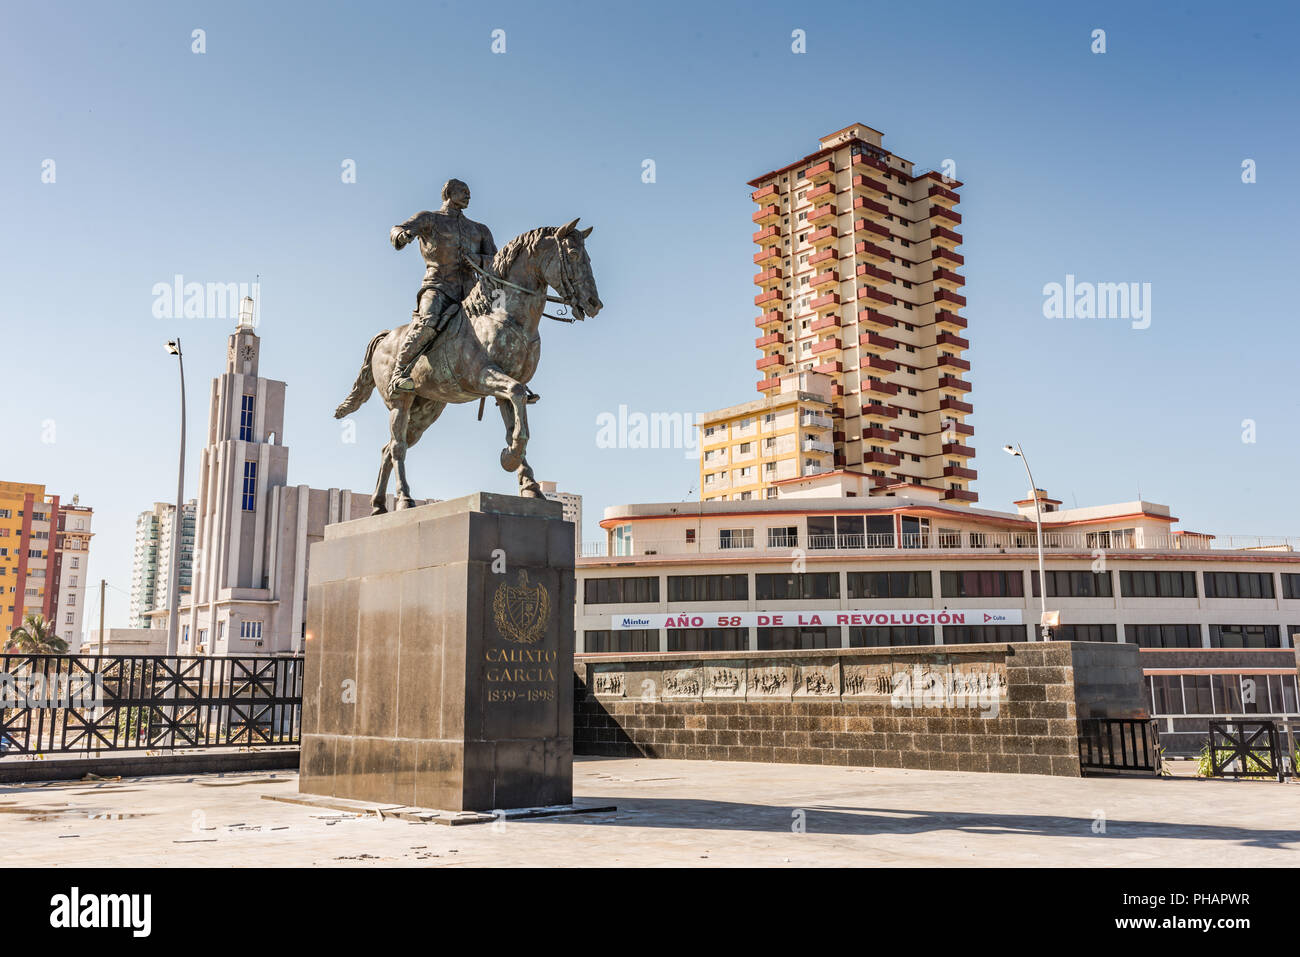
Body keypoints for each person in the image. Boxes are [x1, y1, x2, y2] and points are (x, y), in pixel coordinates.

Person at [388, 178, 497, 393]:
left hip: (471, 292)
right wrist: (402, 235)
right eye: (463, 191)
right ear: (448, 193)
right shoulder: (429, 219)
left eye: (469, 192)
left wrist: (478, 260)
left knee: (501, 323)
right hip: (438, 286)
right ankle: (398, 373)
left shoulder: (479, 229)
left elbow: (496, 261)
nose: (468, 195)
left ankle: (510, 376)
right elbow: (397, 229)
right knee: (427, 322)